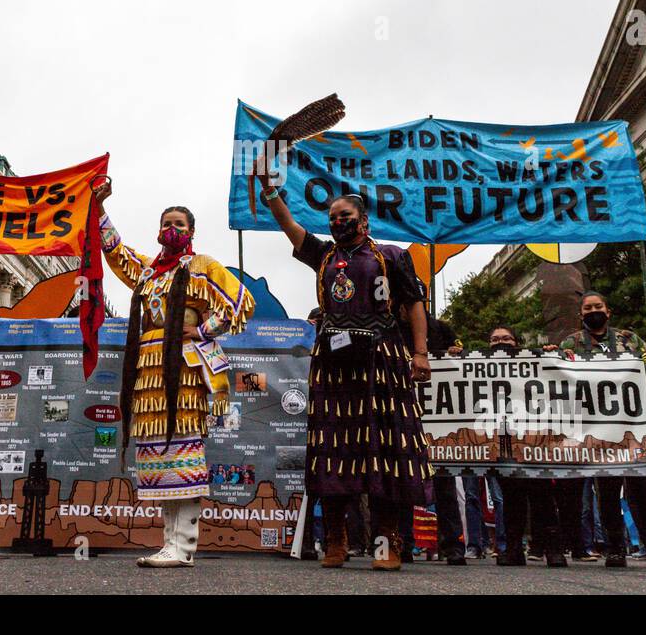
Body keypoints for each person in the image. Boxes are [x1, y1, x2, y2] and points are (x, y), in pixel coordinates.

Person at [256, 178, 432, 571]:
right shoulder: (323, 255)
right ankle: (336, 539)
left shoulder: (392, 255)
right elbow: (291, 228)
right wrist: (271, 195)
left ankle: (388, 543)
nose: (338, 222)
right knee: (333, 452)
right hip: (334, 365)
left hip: (382, 358)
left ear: (363, 220)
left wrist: (420, 352)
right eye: (332, 218)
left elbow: (415, 304)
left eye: (345, 216)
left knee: (385, 451)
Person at [93, 178, 253, 567]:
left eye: (180, 224)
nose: (173, 229)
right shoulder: (149, 272)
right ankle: (170, 545)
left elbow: (239, 303)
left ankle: (183, 547)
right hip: (147, 377)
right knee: (160, 460)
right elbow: (117, 254)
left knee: (182, 456)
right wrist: (98, 209)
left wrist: (201, 330)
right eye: (167, 223)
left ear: (192, 232)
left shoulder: (203, 266)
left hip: (182, 374)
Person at [555, 291, 646, 569]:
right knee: (607, 492)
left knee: (645, 491)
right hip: (597, 432)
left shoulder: (630, 339)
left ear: (608, 311)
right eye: (587, 308)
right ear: (580, 314)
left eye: (598, 306)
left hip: (633, 429)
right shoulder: (571, 342)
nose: (593, 310)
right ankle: (615, 548)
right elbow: (558, 378)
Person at [485, 326, 565, 567]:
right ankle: (513, 549)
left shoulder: (535, 363)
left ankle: (553, 550)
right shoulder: (481, 368)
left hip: (534, 439)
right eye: (495, 339)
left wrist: (551, 354)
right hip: (504, 441)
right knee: (512, 497)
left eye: (506, 338)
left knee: (542, 495)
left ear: (516, 342)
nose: (501, 342)